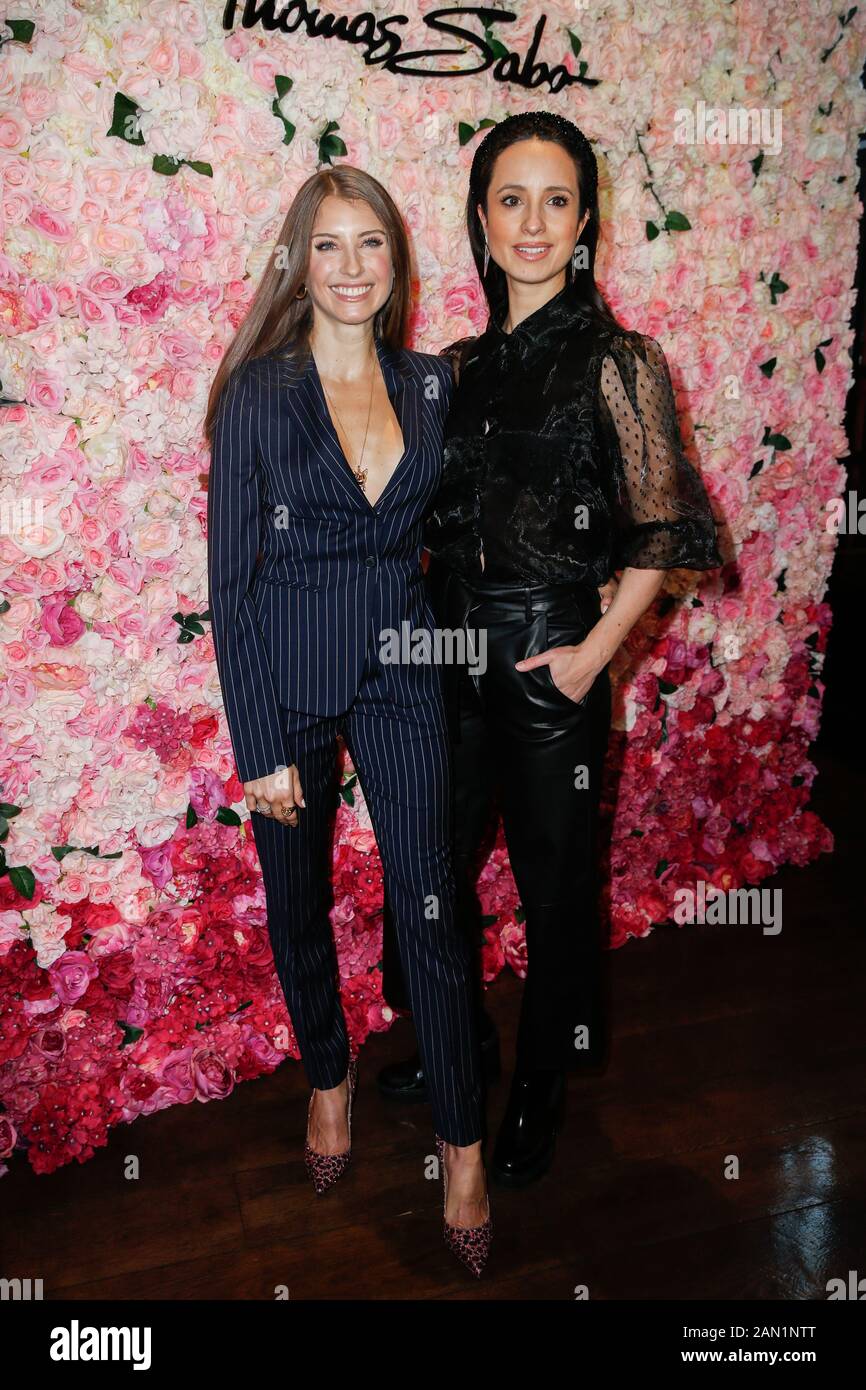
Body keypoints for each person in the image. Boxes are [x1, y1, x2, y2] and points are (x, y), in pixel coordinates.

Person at [378, 111, 722, 1188]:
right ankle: (462, 1041)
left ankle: (539, 1081)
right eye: (510, 199)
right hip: (444, 656)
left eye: (556, 200)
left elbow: (666, 533)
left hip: (544, 661)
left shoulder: (618, 361)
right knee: (425, 864)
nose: (532, 223)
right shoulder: (453, 367)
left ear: (584, 224)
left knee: (554, 888)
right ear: (479, 219)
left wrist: (590, 657)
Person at [205, 165, 491, 1275]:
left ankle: (459, 1147)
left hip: (405, 671)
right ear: (297, 260)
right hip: (285, 682)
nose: (350, 265)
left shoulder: (429, 385)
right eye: (327, 245)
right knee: (297, 904)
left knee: (431, 911)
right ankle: (327, 1077)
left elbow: (468, 519)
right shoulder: (258, 396)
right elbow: (231, 586)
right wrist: (257, 744)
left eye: (370, 242)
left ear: (395, 260)